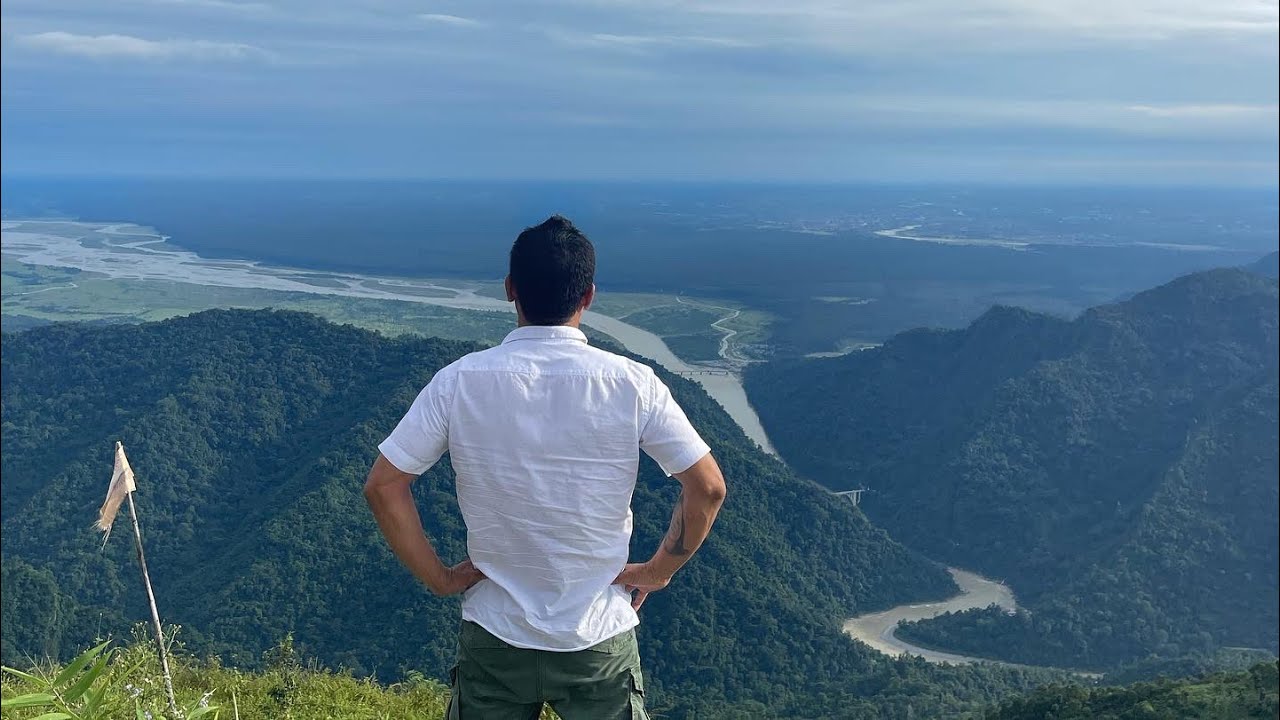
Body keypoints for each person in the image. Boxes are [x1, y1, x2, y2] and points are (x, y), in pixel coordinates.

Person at [364, 215, 727, 719]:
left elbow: (384, 487)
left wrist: (440, 579)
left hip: (495, 633)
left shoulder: (459, 382)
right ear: (589, 296)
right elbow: (707, 488)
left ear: (510, 290)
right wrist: (658, 572)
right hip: (598, 635)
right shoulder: (633, 383)